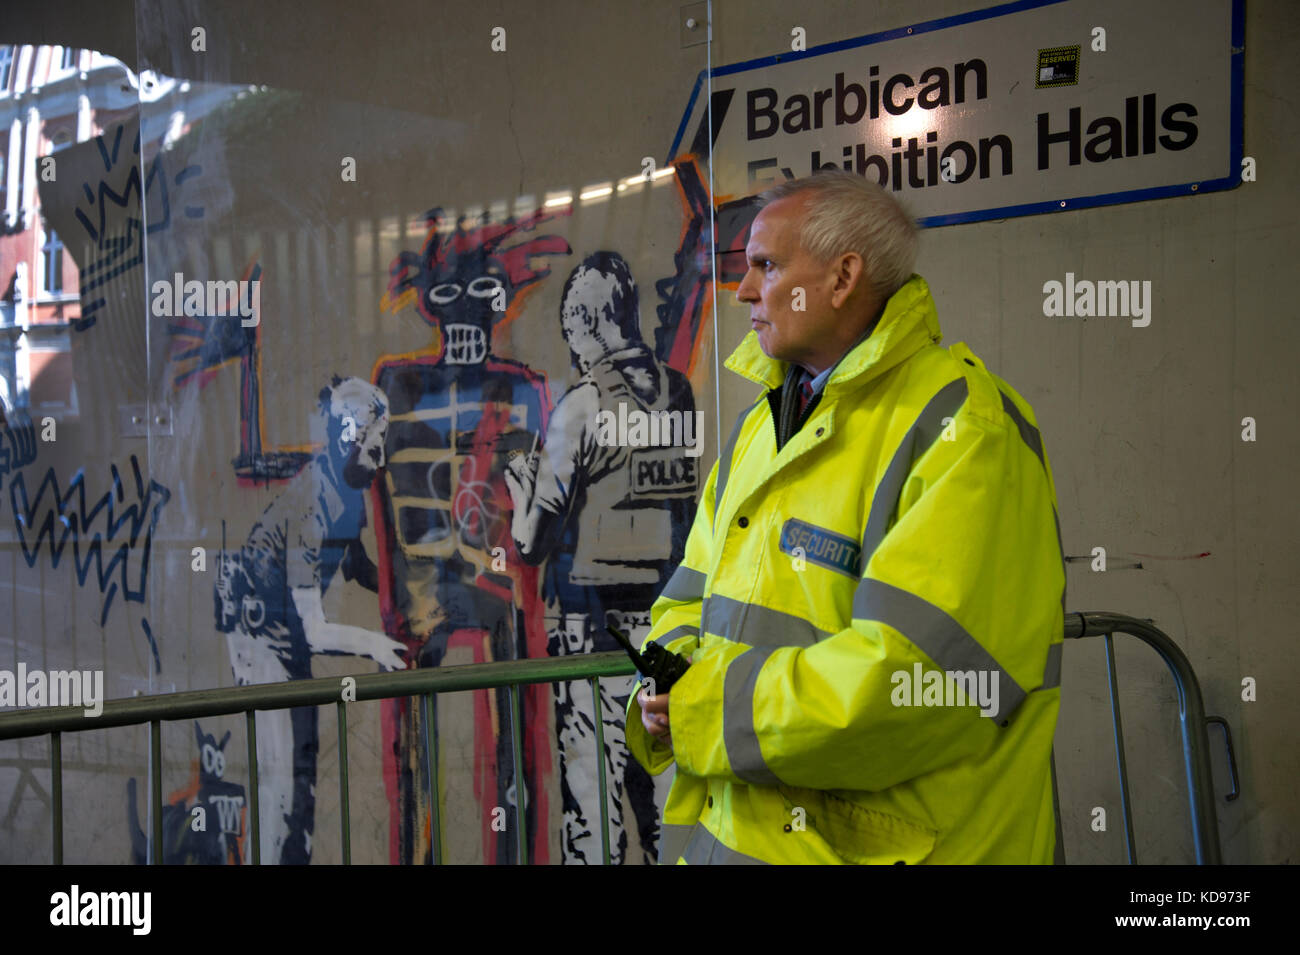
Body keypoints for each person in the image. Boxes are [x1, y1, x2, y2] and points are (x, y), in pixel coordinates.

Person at [625, 169, 1066, 864]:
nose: (740, 290)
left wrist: (705, 708)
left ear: (842, 278)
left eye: (765, 266)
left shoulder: (964, 429)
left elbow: (914, 682)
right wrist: (667, 681)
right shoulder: (761, 429)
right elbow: (688, 596)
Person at [505, 251, 696, 863]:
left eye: (569, 330)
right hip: (667, 632)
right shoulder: (679, 393)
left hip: (594, 636)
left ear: (586, 322)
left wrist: (519, 493)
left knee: (595, 799)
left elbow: (531, 544)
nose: (570, 346)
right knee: (664, 797)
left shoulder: (579, 410)